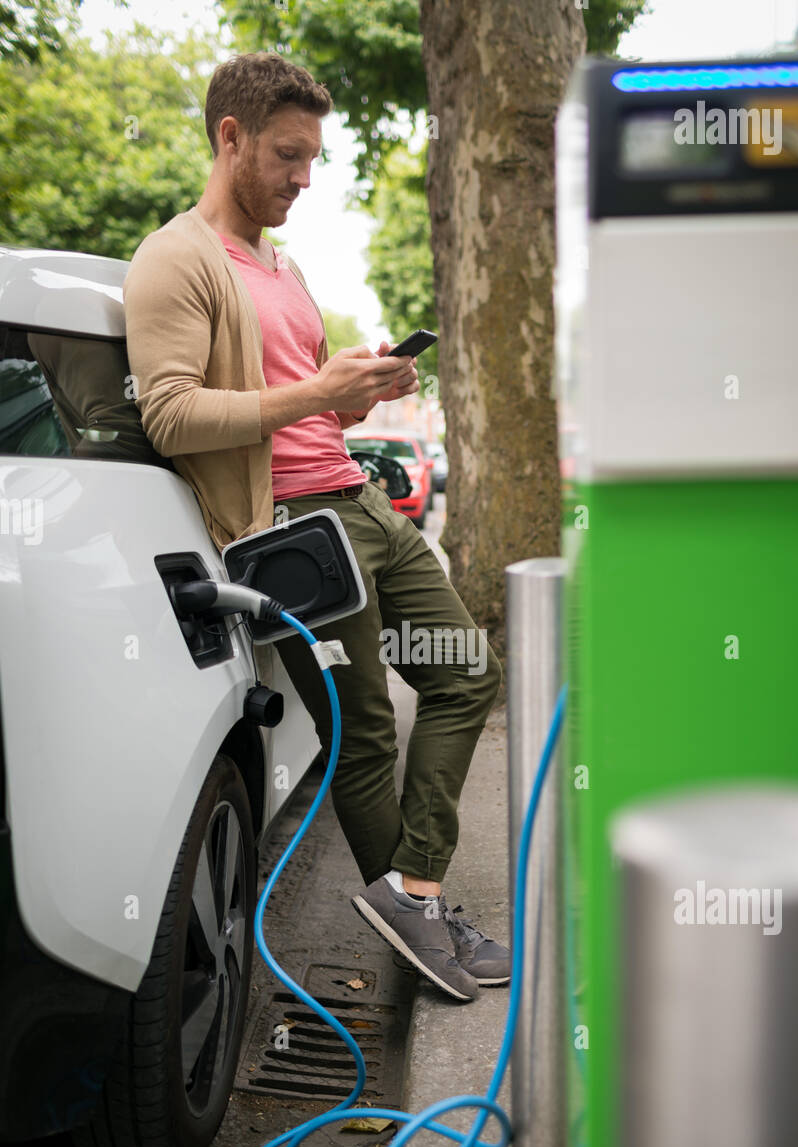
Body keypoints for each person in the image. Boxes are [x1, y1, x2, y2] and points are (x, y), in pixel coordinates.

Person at [124, 50, 508, 1005]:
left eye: (312, 159)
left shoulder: (283, 265)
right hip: (293, 530)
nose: (304, 178)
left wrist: (354, 393)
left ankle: (413, 892)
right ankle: (422, 915)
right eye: (288, 156)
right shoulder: (175, 258)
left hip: (362, 500)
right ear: (231, 137)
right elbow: (169, 414)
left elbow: (307, 405)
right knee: (364, 731)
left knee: (467, 671)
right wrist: (313, 393)